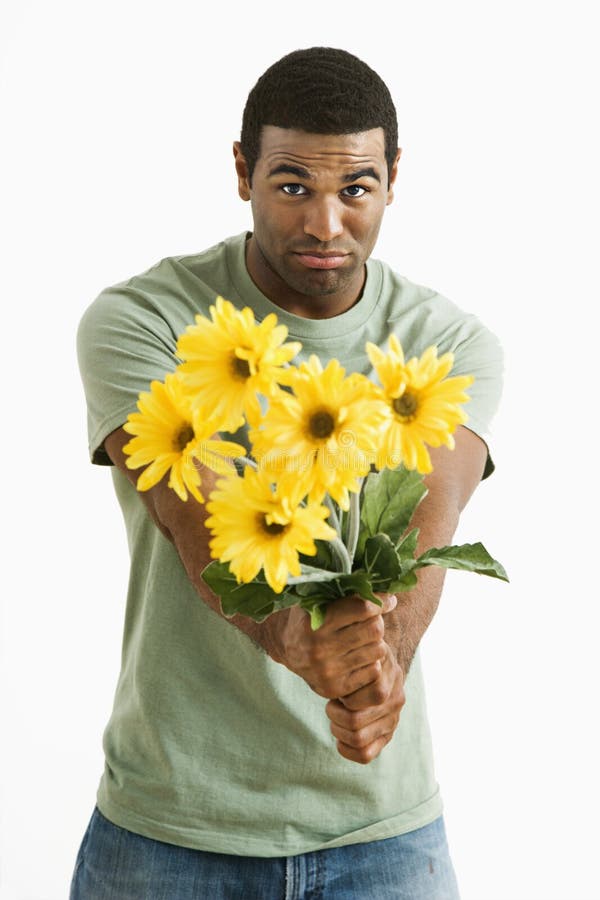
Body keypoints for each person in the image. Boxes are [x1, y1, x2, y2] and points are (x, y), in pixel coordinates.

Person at [70, 46, 503, 899]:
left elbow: (427, 530)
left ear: (392, 178)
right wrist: (294, 642)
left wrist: (382, 670)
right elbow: (195, 521)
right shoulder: (140, 320)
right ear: (242, 171)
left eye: (356, 189)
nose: (324, 226)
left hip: (385, 836)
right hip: (169, 830)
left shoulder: (449, 346)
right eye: (293, 184)